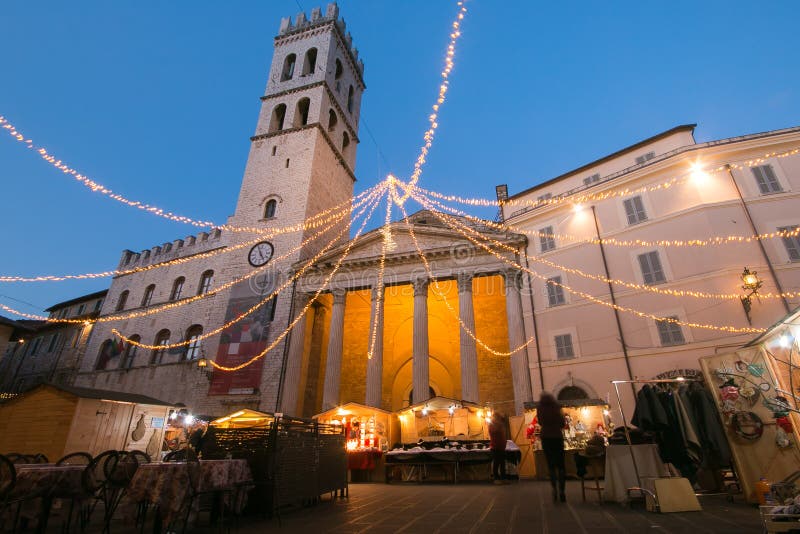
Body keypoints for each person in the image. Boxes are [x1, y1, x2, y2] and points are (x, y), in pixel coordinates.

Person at [538, 392, 567, 502]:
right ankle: (562, 491)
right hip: (557, 437)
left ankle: (554, 489)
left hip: (546, 437)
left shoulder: (540, 408)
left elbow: (540, 422)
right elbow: (562, 423)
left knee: (551, 466)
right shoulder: (556, 407)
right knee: (561, 466)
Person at [488, 412, 508, 484]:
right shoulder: (492, 425)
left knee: (502, 463)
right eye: (498, 417)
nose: (500, 418)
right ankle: (496, 478)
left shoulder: (500, 424)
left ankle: (503, 478)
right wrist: (499, 424)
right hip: (495, 446)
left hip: (502, 446)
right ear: (495, 417)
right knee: (496, 463)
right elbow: (494, 431)